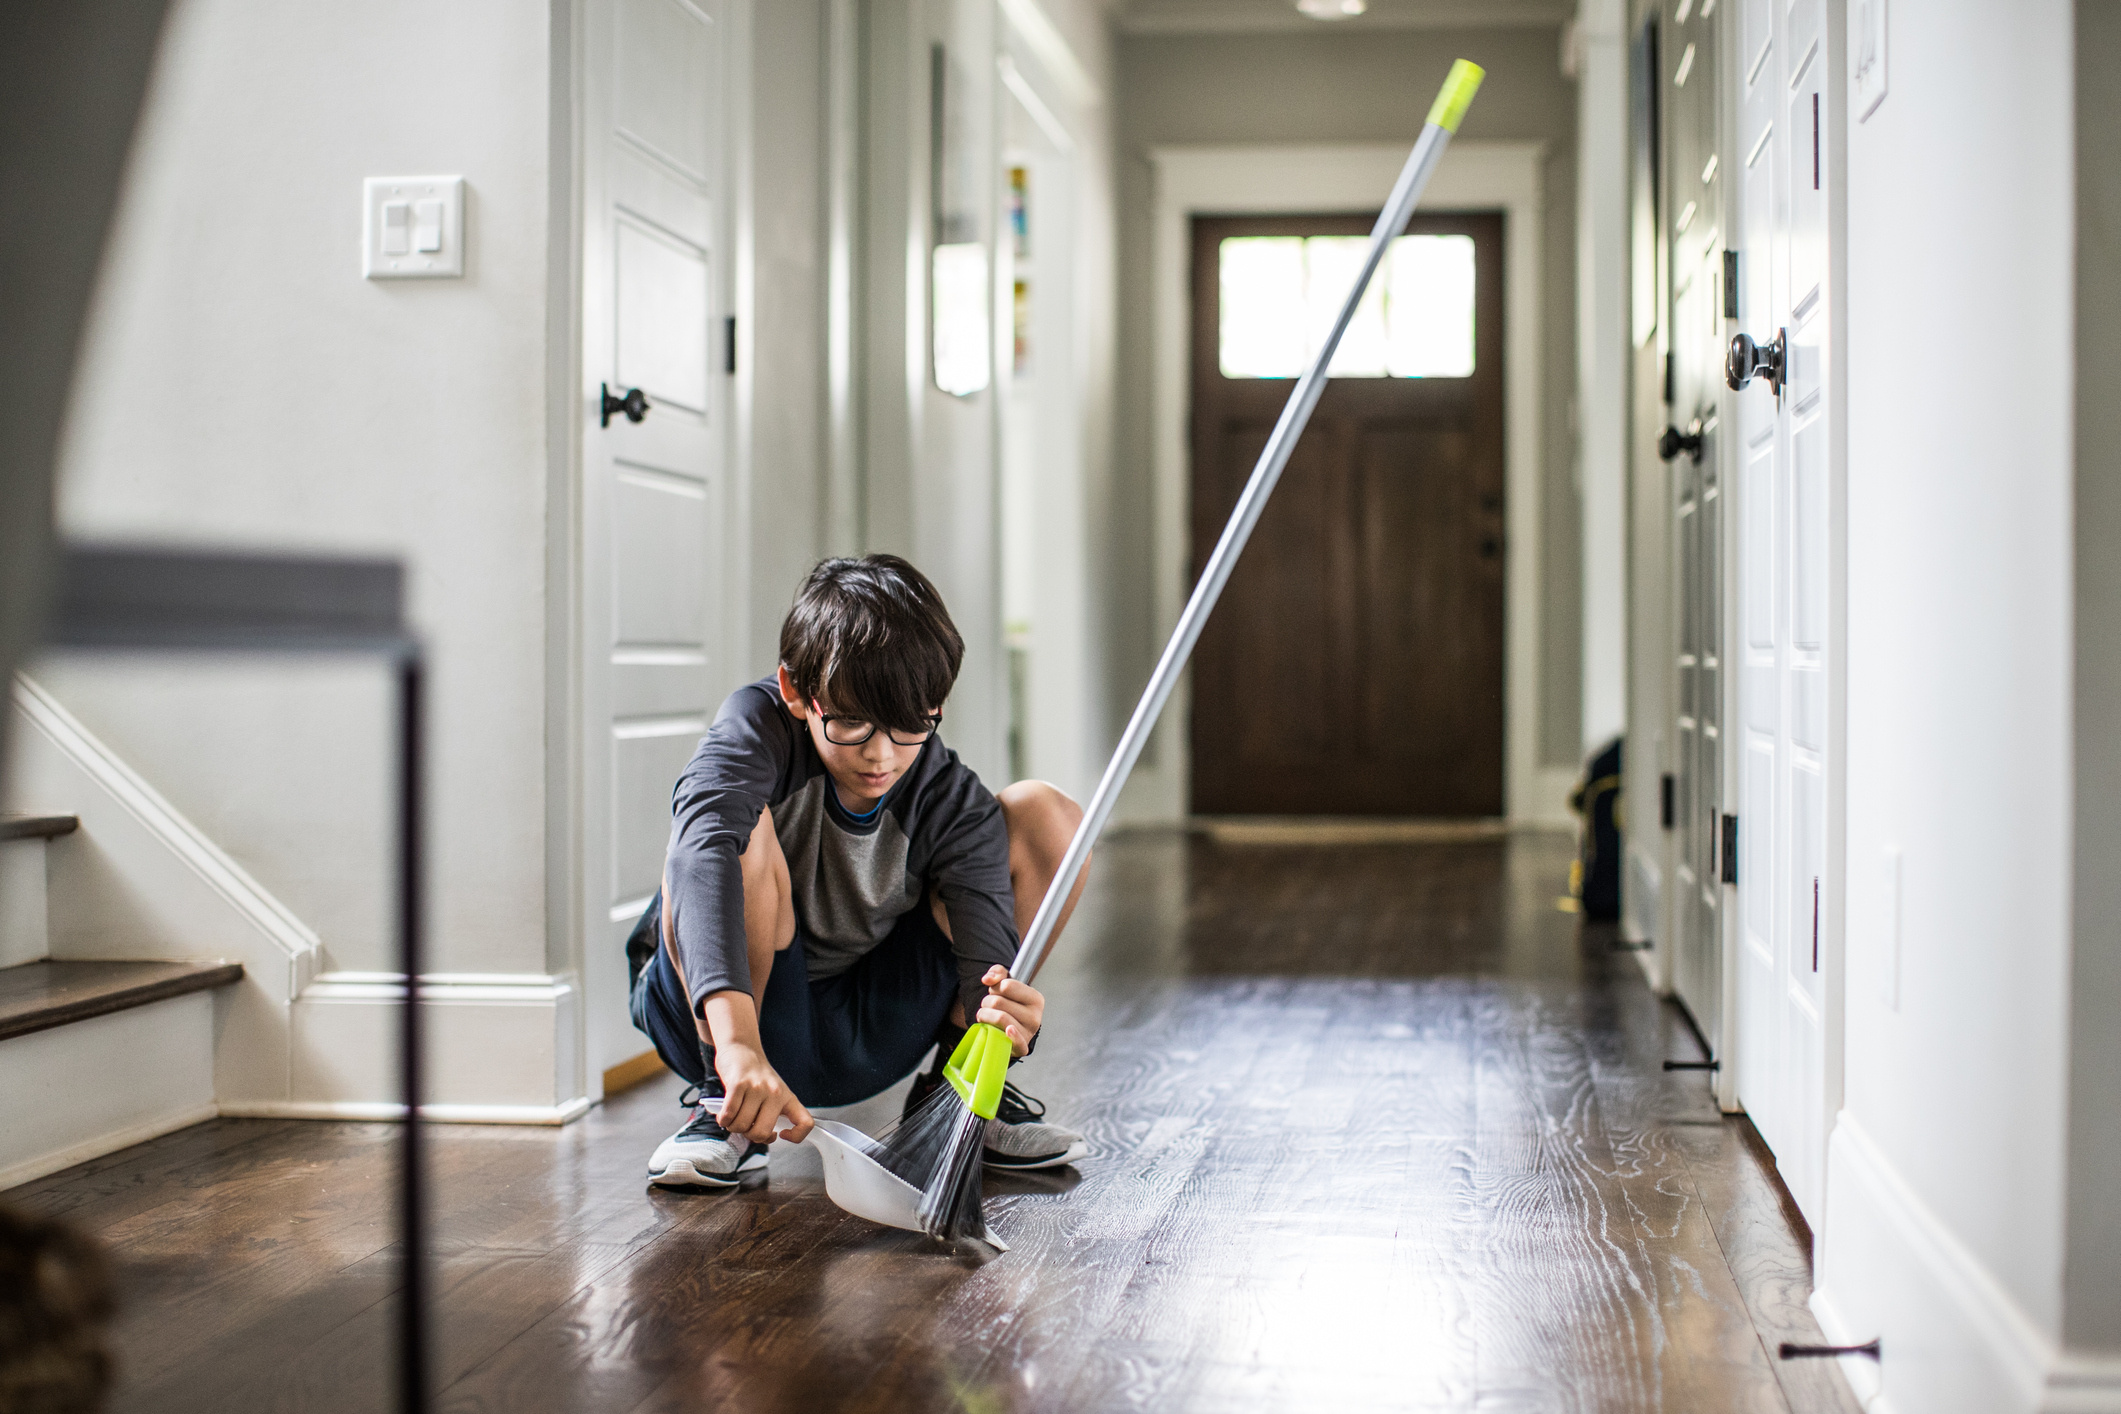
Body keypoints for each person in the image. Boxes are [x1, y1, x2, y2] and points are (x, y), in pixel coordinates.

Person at [627, 554, 1091, 1188]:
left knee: (1051, 817)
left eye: (908, 726)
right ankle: (722, 1106)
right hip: (721, 1020)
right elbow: (701, 854)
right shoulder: (753, 728)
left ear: (937, 707)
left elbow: (986, 963)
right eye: (850, 722)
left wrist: (1002, 1019)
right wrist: (734, 1048)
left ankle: (957, 1107)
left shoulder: (947, 798)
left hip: (861, 1033)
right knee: (728, 831)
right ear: (796, 691)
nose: (880, 755)